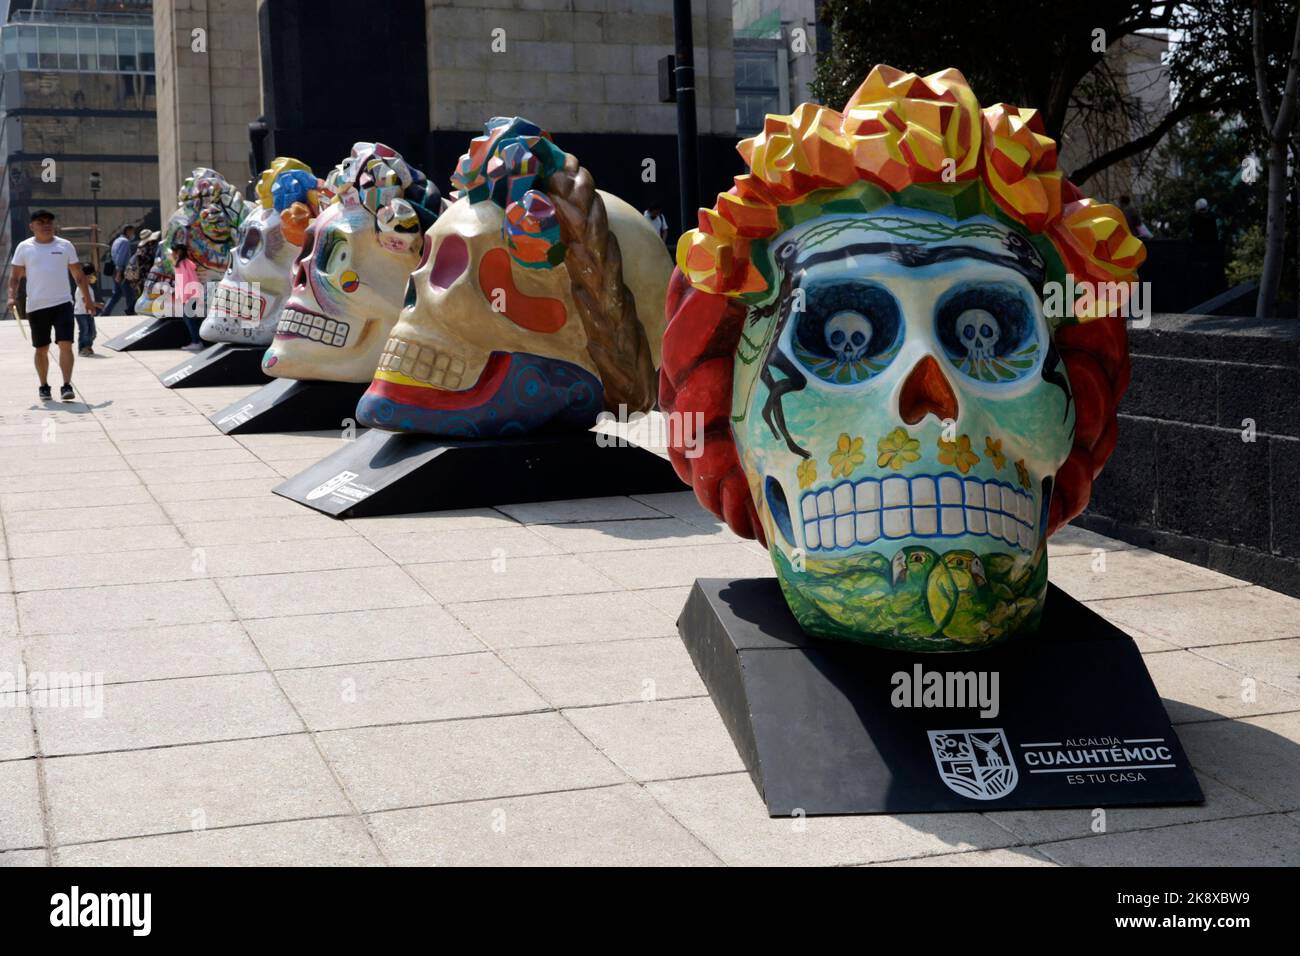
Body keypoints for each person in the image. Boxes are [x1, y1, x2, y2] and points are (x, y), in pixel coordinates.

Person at [6, 209, 98, 402]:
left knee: (66, 344)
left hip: (63, 303)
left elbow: (78, 276)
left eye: (49, 222)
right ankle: (44, 385)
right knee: (42, 348)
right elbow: (14, 278)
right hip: (37, 305)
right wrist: (11, 297)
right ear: (32, 227)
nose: (46, 225)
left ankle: (66, 385)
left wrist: (88, 301)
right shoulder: (24, 247)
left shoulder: (65, 246)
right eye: (41, 222)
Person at [171, 242, 205, 351]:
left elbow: (184, 281)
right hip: (192, 294)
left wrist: (183, 297)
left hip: (189, 295)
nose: (172, 254)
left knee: (189, 319)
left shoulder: (182, 264)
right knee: (189, 319)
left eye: (174, 251)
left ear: (178, 252)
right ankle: (197, 340)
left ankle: (196, 341)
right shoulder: (186, 263)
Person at [102, 224, 137, 315]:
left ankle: (105, 312)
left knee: (117, 294)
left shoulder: (117, 240)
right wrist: (119, 272)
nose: (133, 234)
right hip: (122, 271)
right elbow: (120, 258)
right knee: (129, 292)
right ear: (128, 231)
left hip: (116, 270)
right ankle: (131, 311)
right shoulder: (125, 242)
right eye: (132, 232)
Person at [74, 261, 98, 356]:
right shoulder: (81, 288)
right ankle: (82, 348)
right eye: (91, 275)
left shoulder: (89, 287)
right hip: (81, 313)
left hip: (88, 312)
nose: (92, 278)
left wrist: (92, 309)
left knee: (92, 332)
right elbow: (85, 301)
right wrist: (97, 305)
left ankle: (88, 346)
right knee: (84, 331)